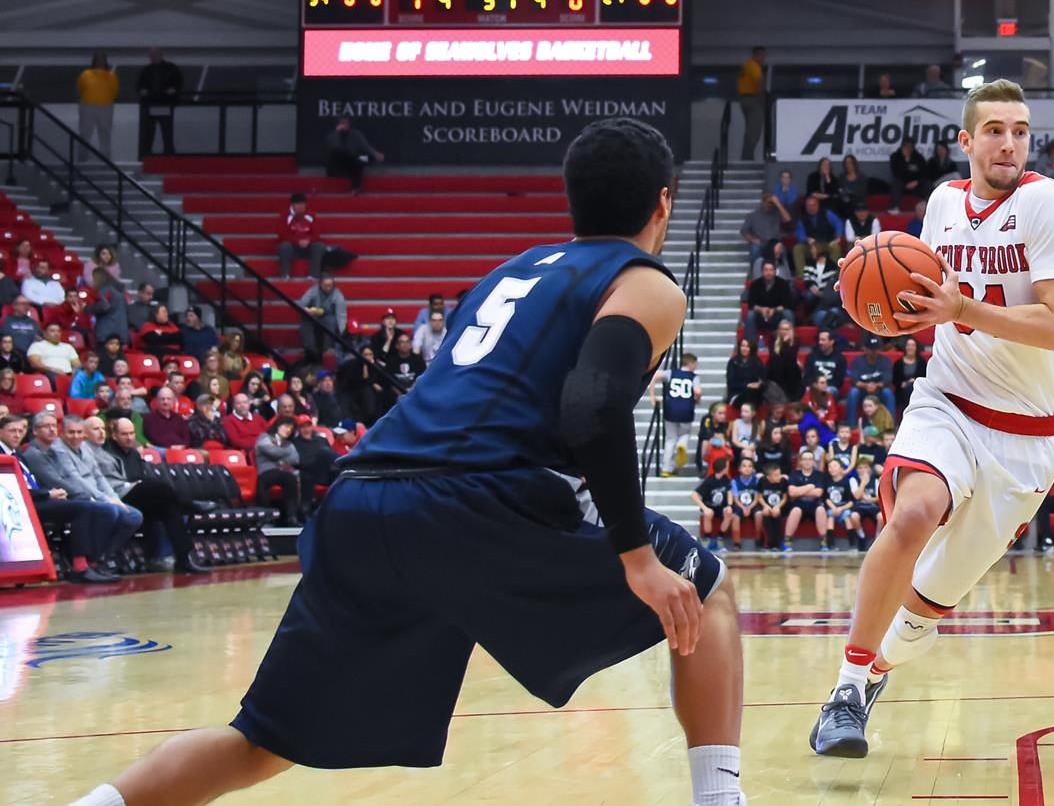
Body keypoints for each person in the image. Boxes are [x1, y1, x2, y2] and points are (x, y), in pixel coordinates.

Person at [67, 117, 747, 806]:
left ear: (571, 198)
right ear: (665, 202)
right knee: (709, 593)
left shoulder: (506, 272)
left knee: (263, 741)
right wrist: (636, 557)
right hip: (474, 495)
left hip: (363, 497)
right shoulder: (645, 283)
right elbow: (593, 405)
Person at [810, 80, 1054, 758]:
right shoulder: (940, 204)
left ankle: (877, 670)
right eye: (994, 129)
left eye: (1020, 130)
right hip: (949, 402)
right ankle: (845, 690)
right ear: (965, 141)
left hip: (1025, 441)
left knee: (921, 614)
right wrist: (872, 297)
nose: (1009, 142)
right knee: (913, 513)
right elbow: (916, 303)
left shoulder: (1047, 204)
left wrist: (960, 311)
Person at [16, 412, 143, 583]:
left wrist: (112, 497)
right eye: (47, 427)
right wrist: (96, 498)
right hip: (59, 497)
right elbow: (62, 480)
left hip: (75, 495)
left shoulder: (61, 449)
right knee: (103, 511)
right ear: (35, 431)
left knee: (133, 516)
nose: (52, 430)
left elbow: (98, 476)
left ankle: (98, 559)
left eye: (54, 426)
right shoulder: (38, 453)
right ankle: (83, 564)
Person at [89, 415, 211, 574]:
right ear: (114, 435)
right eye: (124, 434)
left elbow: (142, 476)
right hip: (120, 495)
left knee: (171, 509)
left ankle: (183, 559)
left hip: (140, 496)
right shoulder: (106, 451)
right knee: (161, 487)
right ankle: (190, 504)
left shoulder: (134, 453)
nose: (129, 438)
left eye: (132, 433)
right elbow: (119, 481)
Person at [659, 353, 702, 475]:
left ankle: (666, 469)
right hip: (686, 409)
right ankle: (682, 444)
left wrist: (652, 395)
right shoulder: (693, 377)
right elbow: (698, 391)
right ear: (690, 364)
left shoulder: (671, 373)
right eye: (695, 364)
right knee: (685, 433)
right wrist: (697, 399)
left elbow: (656, 376)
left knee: (670, 438)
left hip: (671, 409)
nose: (696, 366)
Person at [783, 451, 833, 551]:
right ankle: (787, 541)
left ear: (813, 461)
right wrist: (809, 487)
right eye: (805, 459)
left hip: (815, 504)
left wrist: (800, 490)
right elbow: (792, 493)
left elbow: (818, 493)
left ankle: (824, 542)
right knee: (795, 511)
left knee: (821, 510)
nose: (807, 462)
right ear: (800, 461)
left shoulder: (819, 475)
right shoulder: (794, 474)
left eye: (810, 459)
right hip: (798, 504)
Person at [136, 48, 181, 156]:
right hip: (149, 105)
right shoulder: (145, 70)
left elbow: (179, 82)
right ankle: (146, 157)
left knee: (167, 133)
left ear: (161, 55)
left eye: (155, 55)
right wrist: (141, 90)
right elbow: (138, 85)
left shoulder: (171, 68)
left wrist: (174, 89)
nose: (153, 58)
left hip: (165, 104)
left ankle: (169, 156)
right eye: (151, 56)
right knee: (147, 134)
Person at [324, 117, 385, 192]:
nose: (343, 125)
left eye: (345, 123)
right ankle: (356, 186)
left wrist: (375, 154)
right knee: (353, 159)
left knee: (363, 159)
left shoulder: (356, 134)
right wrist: (337, 133)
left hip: (354, 159)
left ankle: (356, 188)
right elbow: (334, 146)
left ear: (348, 124)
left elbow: (365, 146)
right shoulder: (333, 136)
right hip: (339, 161)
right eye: (341, 123)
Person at [692, 457, 739, 552]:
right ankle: (707, 539)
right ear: (724, 468)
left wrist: (729, 505)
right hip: (709, 506)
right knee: (708, 514)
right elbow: (694, 495)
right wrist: (704, 508)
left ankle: (720, 538)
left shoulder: (726, 479)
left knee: (729, 513)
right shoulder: (710, 481)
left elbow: (729, 492)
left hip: (722, 507)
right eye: (727, 466)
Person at [276, 192, 326, 280]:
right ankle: (285, 275)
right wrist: (297, 241)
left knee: (319, 246)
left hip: (308, 248)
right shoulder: (285, 217)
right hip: (293, 249)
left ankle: (313, 276)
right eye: (298, 204)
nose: (301, 207)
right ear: (292, 205)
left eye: (303, 204)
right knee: (284, 246)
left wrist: (308, 240)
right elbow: (282, 235)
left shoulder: (311, 216)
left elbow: (317, 235)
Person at [76, 52, 119, 154]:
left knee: (105, 134)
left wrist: (105, 100)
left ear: (105, 61)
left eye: (102, 59)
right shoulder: (85, 74)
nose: (100, 61)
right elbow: (80, 89)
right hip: (87, 107)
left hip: (106, 108)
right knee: (85, 133)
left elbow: (115, 92)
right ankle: (81, 159)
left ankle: (106, 159)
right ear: (94, 61)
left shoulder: (111, 76)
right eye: (98, 59)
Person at [298, 275, 347, 363]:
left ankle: (327, 349)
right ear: (320, 284)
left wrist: (342, 332)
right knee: (306, 323)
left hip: (327, 317)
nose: (328, 288)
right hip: (312, 316)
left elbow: (341, 315)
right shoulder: (312, 291)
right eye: (326, 285)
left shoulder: (338, 295)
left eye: (330, 286)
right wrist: (306, 310)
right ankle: (310, 348)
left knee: (331, 321)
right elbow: (301, 304)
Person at [736, 46, 767, 161]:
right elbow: (758, 82)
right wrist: (762, 100)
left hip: (744, 99)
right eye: (763, 56)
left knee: (749, 131)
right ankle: (747, 158)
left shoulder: (746, 65)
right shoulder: (754, 66)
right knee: (754, 132)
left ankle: (747, 157)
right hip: (754, 100)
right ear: (757, 54)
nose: (764, 59)